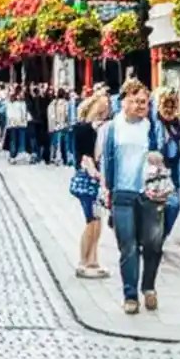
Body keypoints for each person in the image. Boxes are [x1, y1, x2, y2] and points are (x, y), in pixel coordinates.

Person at [100, 80, 165, 314]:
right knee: (127, 246)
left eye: (144, 102)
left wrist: (159, 156)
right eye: (136, 101)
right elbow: (107, 160)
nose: (140, 106)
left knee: (152, 244)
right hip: (122, 193)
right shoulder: (112, 128)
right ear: (124, 101)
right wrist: (107, 190)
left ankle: (148, 287)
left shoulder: (152, 126)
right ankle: (130, 295)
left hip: (148, 193)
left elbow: (166, 152)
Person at [71, 93, 111, 279]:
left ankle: (93, 259)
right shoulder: (83, 129)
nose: (105, 110)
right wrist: (96, 173)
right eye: (103, 107)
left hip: (96, 180)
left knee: (98, 220)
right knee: (91, 221)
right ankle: (82, 261)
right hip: (87, 180)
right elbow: (84, 157)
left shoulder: (99, 129)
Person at [150, 88, 180, 238]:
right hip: (157, 170)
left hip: (173, 170)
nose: (169, 110)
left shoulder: (177, 124)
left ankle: (162, 235)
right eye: (166, 106)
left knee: (174, 205)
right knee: (158, 206)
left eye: (172, 106)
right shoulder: (153, 123)